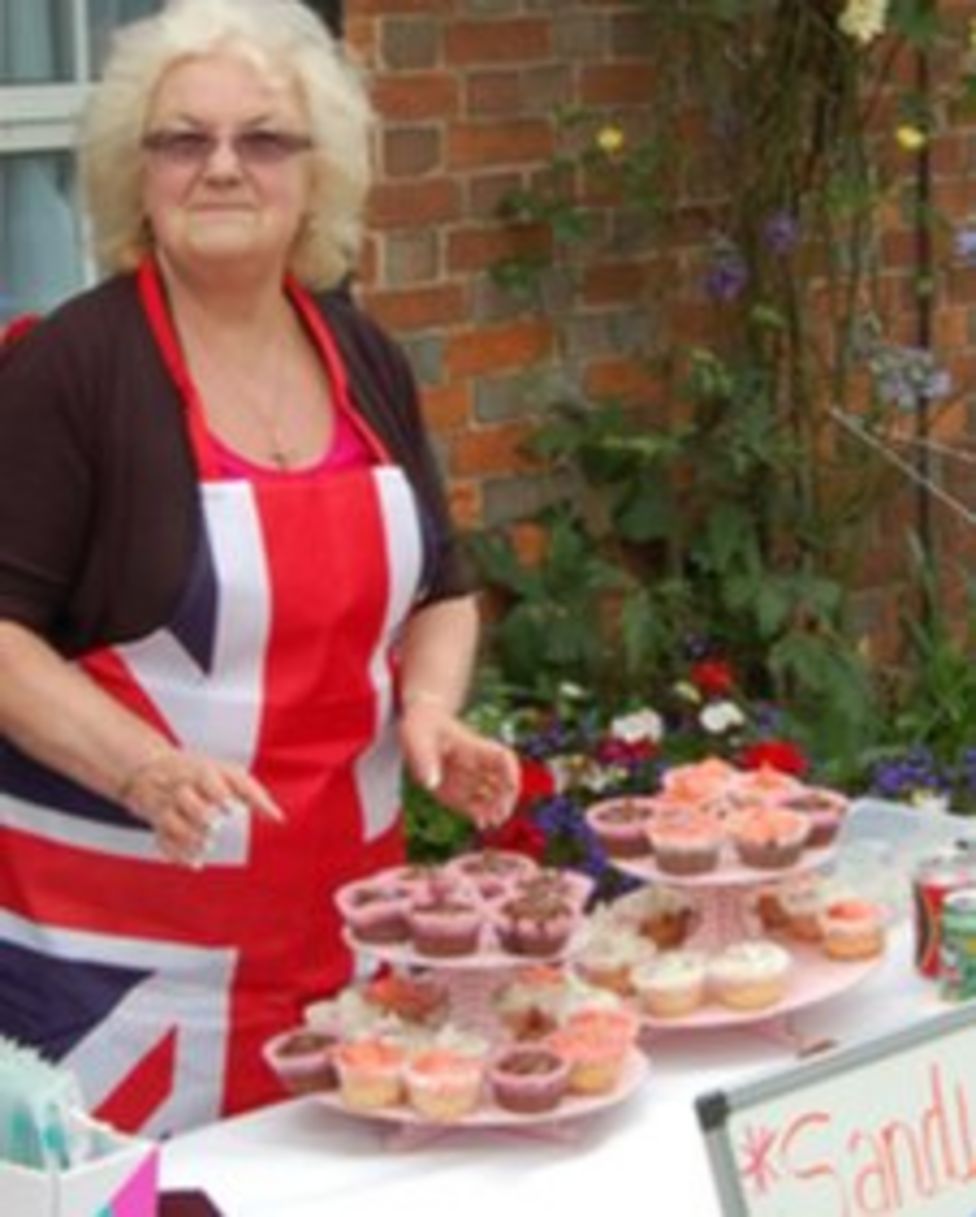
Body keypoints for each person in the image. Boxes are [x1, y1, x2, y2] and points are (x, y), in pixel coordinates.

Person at [0, 0, 519, 1137]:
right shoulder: (67, 371)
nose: (222, 167)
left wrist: (430, 710)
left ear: (315, 176)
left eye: (262, 139)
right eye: (182, 139)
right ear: (134, 173)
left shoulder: (361, 351)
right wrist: (139, 765)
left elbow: (441, 585)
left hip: (338, 936)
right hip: (117, 978)